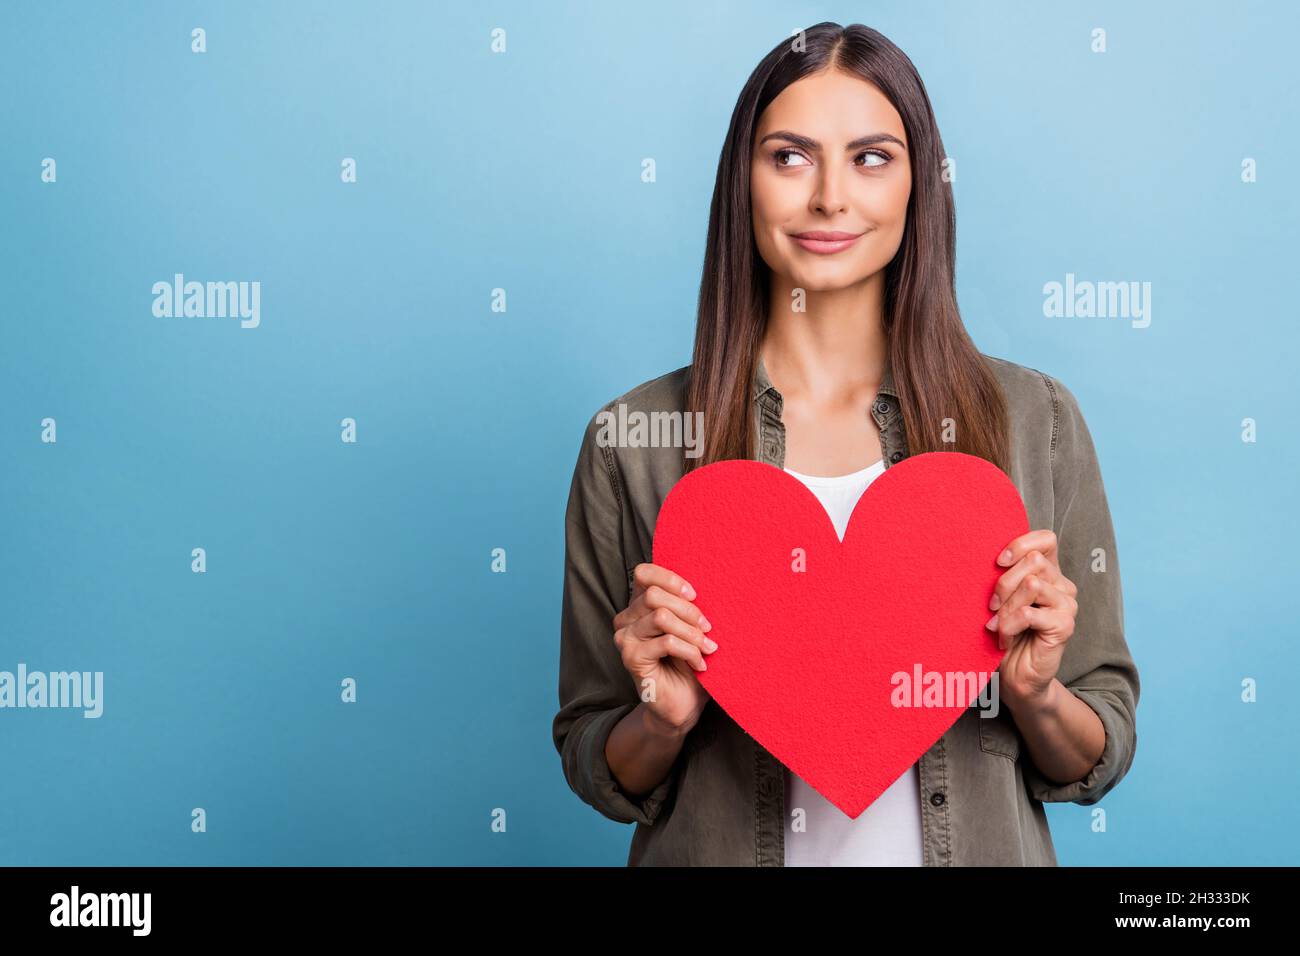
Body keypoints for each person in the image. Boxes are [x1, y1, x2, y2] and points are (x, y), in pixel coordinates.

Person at [552, 21, 1139, 866]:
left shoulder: (1034, 420)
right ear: (742, 183)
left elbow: (1102, 742)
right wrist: (660, 716)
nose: (830, 197)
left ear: (918, 185)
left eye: (871, 157)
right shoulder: (631, 444)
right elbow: (590, 753)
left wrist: (1037, 695)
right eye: (789, 157)